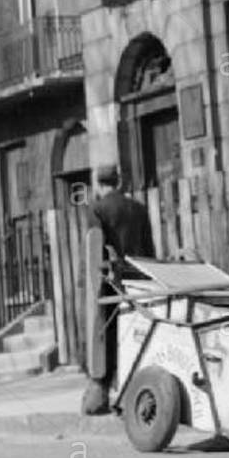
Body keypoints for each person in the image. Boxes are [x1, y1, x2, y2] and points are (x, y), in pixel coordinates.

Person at [82, 165, 155, 415]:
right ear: (119, 181)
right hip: (139, 282)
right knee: (138, 337)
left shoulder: (97, 210)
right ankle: (134, 392)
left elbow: (96, 248)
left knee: (109, 337)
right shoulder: (139, 209)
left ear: (99, 184)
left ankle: (101, 394)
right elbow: (149, 251)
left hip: (111, 284)